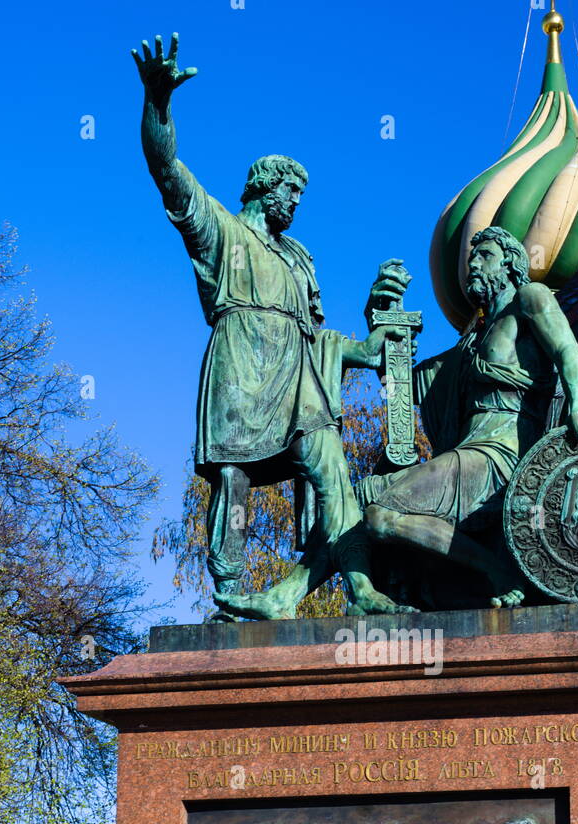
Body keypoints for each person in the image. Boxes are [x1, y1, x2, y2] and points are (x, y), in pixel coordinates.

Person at [132, 33, 412, 620]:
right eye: (290, 190)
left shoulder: (300, 259)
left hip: (297, 378)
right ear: (263, 187)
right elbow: (167, 170)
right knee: (233, 475)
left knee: (331, 461)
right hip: (239, 364)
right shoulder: (222, 232)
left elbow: (320, 338)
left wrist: (368, 346)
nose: (296, 201)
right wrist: (158, 104)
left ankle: (360, 586)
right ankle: (231, 586)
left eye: (301, 194)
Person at [362, 225, 578, 605]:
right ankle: (345, 596)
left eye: (485, 256)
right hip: (467, 452)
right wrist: (381, 323)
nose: (473, 265)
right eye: (471, 258)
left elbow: (566, 351)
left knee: (380, 515)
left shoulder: (530, 298)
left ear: (511, 265)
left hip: (502, 454)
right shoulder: (471, 342)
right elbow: (404, 386)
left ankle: (497, 570)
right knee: (359, 497)